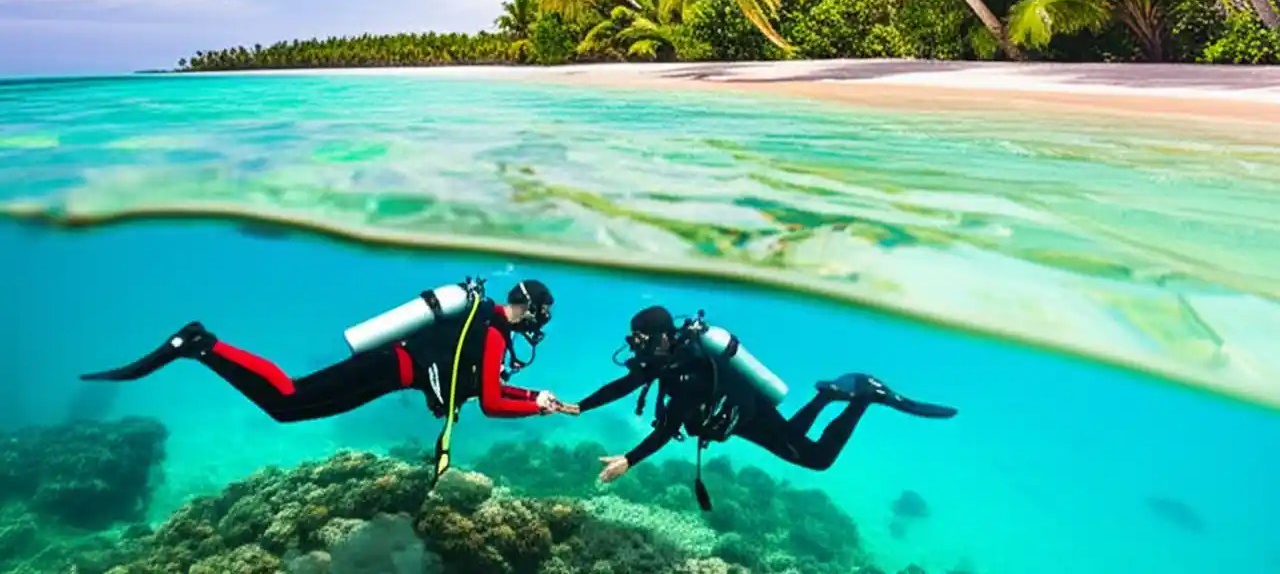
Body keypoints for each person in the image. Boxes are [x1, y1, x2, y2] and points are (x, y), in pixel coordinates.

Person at [80, 277, 576, 483]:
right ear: (529, 308)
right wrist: (535, 405)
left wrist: (537, 396)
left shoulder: (488, 327)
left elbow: (484, 389)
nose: (542, 324)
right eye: (542, 314)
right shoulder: (490, 333)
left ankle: (202, 346)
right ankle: (201, 344)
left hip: (388, 371)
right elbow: (490, 401)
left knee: (288, 405)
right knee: (287, 401)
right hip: (384, 368)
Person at [569, 306, 956, 509]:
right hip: (735, 417)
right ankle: (825, 396)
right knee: (794, 440)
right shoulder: (666, 360)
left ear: (661, 337)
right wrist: (580, 406)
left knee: (817, 459)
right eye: (635, 340)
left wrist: (629, 460)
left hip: (746, 412)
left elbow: (669, 428)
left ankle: (864, 398)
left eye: (640, 339)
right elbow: (623, 384)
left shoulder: (690, 375)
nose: (636, 347)